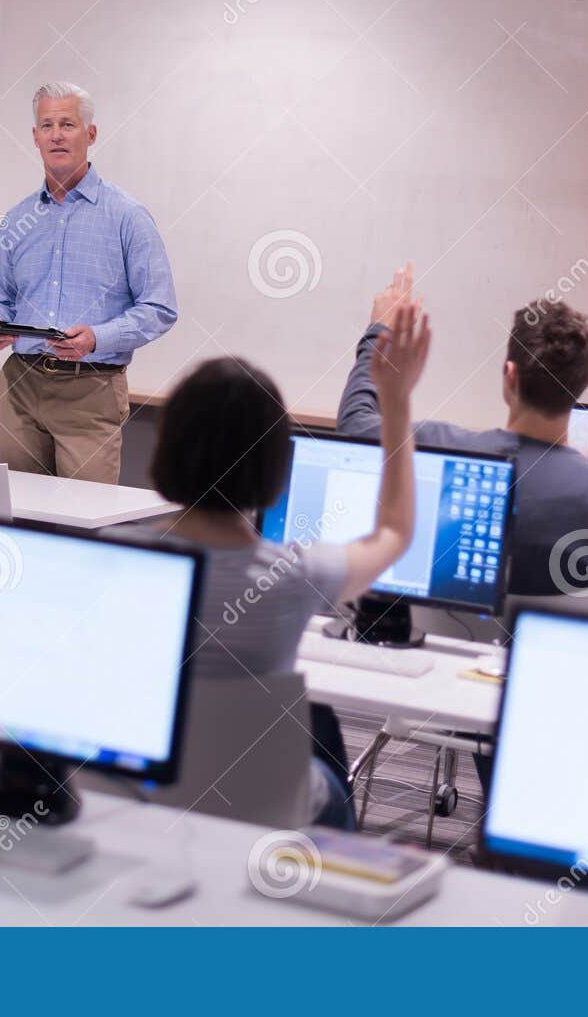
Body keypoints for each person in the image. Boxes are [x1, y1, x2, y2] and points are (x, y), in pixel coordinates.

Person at [143, 299, 431, 827]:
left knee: (316, 721)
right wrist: (395, 402)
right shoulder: (294, 576)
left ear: (166, 444)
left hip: (136, 797)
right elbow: (395, 531)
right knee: (323, 755)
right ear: (276, 464)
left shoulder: (116, 558)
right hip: (261, 806)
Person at [338, 265, 588, 616]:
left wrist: (380, 333)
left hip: (431, 648)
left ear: (509, 376)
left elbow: (355, 427)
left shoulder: (435, 450)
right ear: (587, 381)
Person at [0, 82, 178, 484]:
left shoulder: (128, 216)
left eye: (67, 124)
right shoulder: (16, 220)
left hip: (91, 389)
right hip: (20, 386)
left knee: (85, 515)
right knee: (20, 509)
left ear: (91, 133)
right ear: (35, 137)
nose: (56, 135)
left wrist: (97, 338)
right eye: (46, 125)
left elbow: (160, 308)